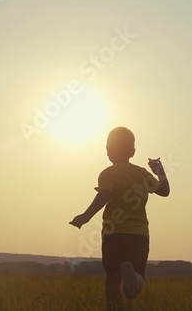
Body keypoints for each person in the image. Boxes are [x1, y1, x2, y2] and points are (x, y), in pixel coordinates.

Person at [70, 127, 170, 308]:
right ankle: (135, 280)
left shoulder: (108, 173)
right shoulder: (142, 174)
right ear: (132, 152)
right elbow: (165, 191)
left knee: (112, 280)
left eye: (109, 147)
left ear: (108, 150)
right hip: (139, 235)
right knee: (137, 279)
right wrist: (159, 170)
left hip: (114, 234)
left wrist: (86, 216)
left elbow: (104, 195)